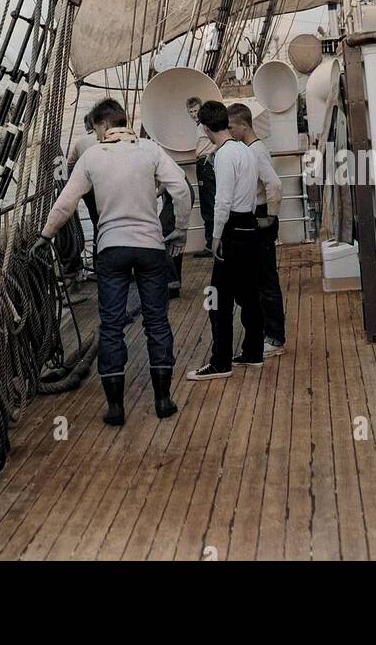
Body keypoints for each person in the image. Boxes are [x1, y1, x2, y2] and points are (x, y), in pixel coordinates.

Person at [32, 97, 191, 425]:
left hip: (111, 250)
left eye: (94, 128)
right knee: (157, 322)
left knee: (112, 326)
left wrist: (45, 236)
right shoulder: (149, 149)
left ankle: (115, 407)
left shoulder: (92, 156)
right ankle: (163, 399)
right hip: (150, 247)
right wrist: (180, 231)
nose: (95, 134)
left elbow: (66, 204)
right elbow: (181, 189)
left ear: (103, 126)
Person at [186, 100, 265, 379]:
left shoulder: (223, 156)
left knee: (218, 300)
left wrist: (216, 237)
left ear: (207, 128)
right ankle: (254, 352)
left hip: (232, 231)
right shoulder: (246, 151)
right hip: (250, 228)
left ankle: (221, 363)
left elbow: (223, 201)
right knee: (249, 295)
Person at [229, 103, 285, 358]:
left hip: (261, 216)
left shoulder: (255, 151)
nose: (229, 132)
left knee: (266, 279)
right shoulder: (250, 149)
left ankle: (274, 337)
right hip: (257, 216)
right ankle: (269, 333)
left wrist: (271, 217)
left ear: (243, 125)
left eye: (231, 127)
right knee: (261, 278)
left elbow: (273, 183)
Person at [187, 96, 217, 256]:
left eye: (196, 111)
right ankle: (212, 243)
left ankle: (212, 244)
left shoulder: (205, 125)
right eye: (190, 112)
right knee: (208, 204)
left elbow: (218, 141)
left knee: (208, 204)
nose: (193, 114)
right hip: (203, 164)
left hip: (205, 164)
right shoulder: (201, 126)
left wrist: (209, 155)